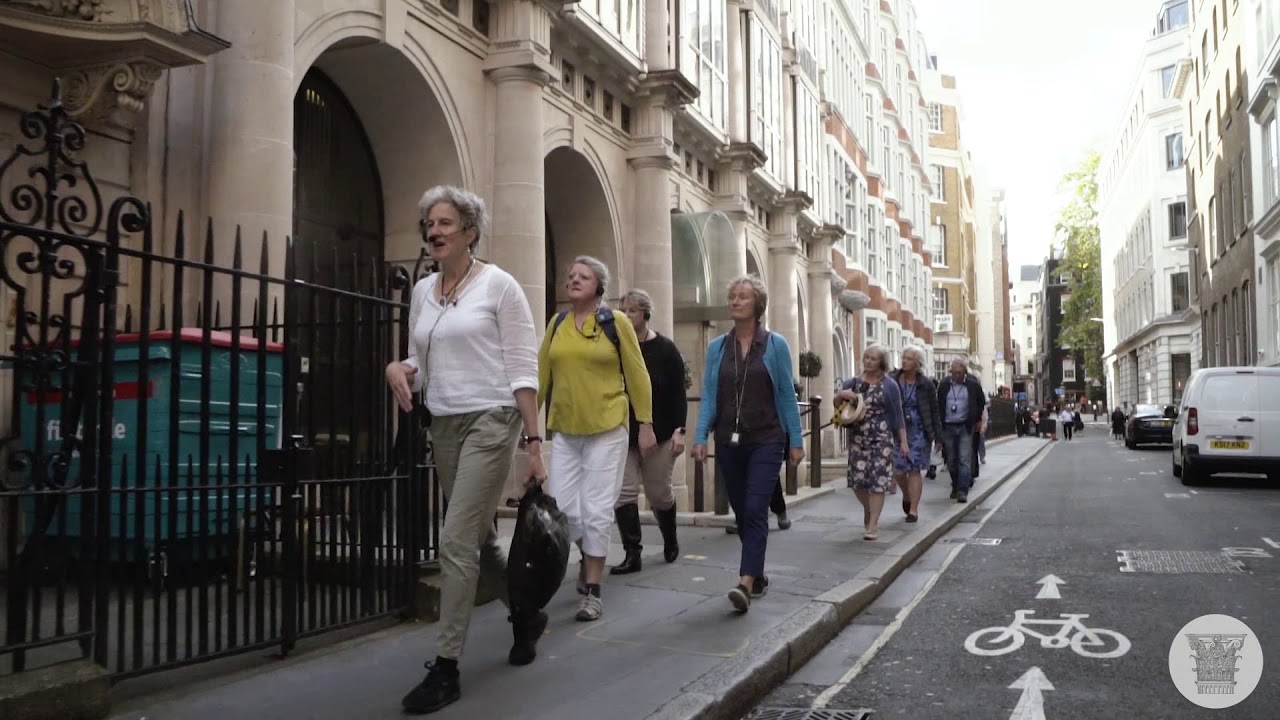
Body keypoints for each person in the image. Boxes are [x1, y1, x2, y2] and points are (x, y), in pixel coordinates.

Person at [388, 186, 546, 714]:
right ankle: (526, 614)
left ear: (470, 232)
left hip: (491, 420)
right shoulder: (422, 291)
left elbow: (522, 367)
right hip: (444, 424)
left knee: (455, 538)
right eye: (429, 224)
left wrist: (534, 444)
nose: (434, 232)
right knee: (479, 540)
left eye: (445, 223)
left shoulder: (499, 286)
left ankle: (446, 667)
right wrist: (398, 368)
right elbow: (419, 358)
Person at [538, 256, 654, 622]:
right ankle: (590, 556)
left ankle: (593, 590)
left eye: (583, 276)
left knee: (597, 511)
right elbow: (541, 376)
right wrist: (526, 427)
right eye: (571, 275)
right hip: (566, 429)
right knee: (564, 511)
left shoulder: (615, 322)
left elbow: (637, 374)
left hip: (607, 428)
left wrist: (646, 423)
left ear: (599, 286)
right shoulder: (557, 323)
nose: (574, 280)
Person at [691, 275, 804, 614]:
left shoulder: (775, 345)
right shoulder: (718, 348)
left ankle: (745, 581)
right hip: (729, 441)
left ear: (757, 305)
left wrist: (796, 440)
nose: (735, 301)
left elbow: (786, 394)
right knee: (742, 512)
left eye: (743, 296)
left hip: (767, 439)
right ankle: (758, 573)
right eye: (732, 296)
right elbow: (710, 394)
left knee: (755, 508)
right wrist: (700, 436)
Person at [610, 289, 686, 575]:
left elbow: (678, 394)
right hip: (623, 433)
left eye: (632, 310)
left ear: (645, 314)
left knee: (659, 494)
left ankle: (670, 539)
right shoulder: (614, 347)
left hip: (661, 433)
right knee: (624, 492)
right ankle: (633, 554)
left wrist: (680, 431)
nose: (626, 315)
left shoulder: (665, 349)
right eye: (622, 310)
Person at [889, 345, 940, 523]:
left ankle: (913, 510)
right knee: (898, 469)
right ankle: (906, 494)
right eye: (904, 357)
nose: (904, 361)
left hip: (919, 431)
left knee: (914, 469)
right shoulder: (893, 380)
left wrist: (938, 436)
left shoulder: (926, 384)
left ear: (917, 363)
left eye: (909, 359)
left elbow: (934, 411)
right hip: (897, 429)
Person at [936, 357, 986, 503]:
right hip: (948, 426)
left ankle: (963, 490)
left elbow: (981, 402)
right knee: (951, 459)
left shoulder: (972, 385)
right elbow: (938, 403)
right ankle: (956, 484)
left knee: (964, 459)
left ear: (964, 372)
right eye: (954, 372)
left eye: (959, 372)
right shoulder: (944, 385)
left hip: (965, 426)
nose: (956, 375)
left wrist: (977, 419)